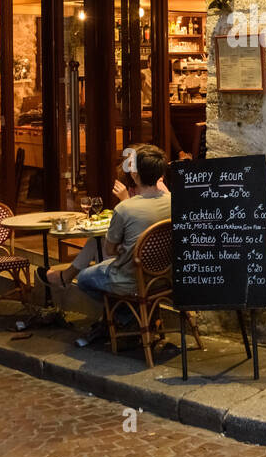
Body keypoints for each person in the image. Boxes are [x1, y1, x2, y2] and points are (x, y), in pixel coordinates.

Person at [40, 144, 171, 346]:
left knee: (84, 278)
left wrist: (122, 249)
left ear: (135, 174)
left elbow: (110, 250)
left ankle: (127, 317)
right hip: (163, 277)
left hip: (130, 278)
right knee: (97, 249)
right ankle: (132, 318)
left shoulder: (125, 208)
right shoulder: (173, 202)